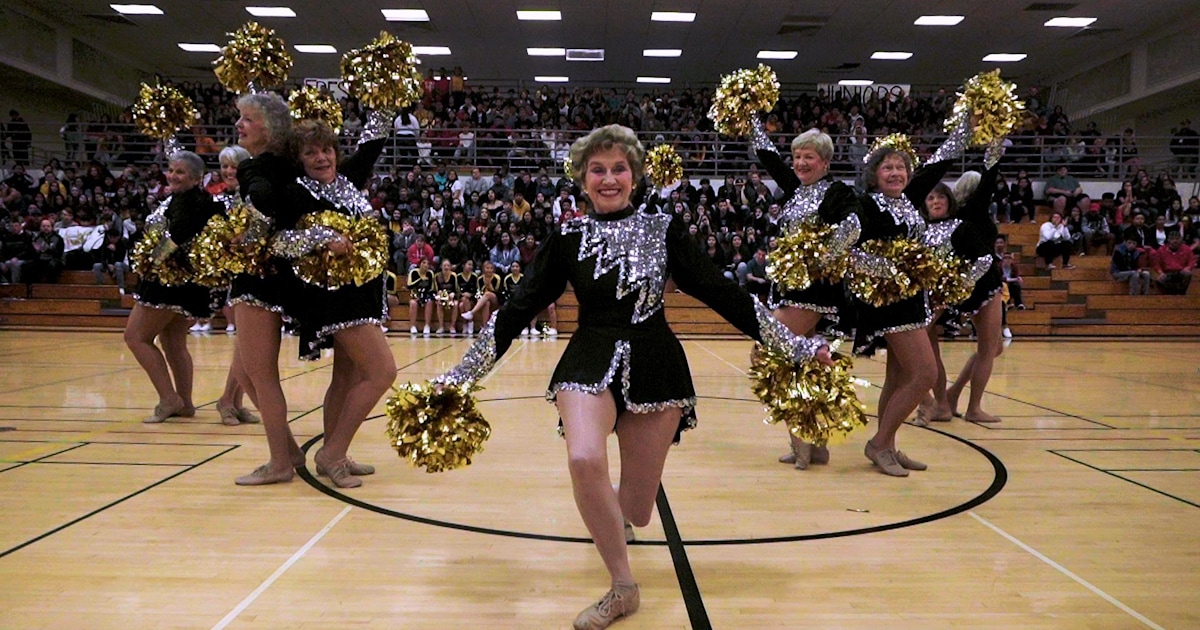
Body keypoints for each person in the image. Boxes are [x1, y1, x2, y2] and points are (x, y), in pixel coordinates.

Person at [431, 124, 830, 630]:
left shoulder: (664, 229)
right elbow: (519, 307)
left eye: (619, 168)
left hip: (655, 364)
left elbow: (723, 294)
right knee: (583, 457)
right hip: (589, 356)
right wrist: (462, 374)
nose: (609, 178)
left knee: (638, 510)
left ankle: (617, 520)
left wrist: (795, 346)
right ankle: (622, 586)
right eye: (597, 169)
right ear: (582, 178)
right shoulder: (569, 235)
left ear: (636, 175)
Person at [850, 116, 970, 476]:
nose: (895, 172)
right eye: (887, 167)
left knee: (899, 379)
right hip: (889, 302)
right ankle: (879, 444)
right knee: (924, 374)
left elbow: (943, 159)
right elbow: (849, 253)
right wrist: (891, 270)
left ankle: (887, 444)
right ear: (874, 174)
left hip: (914, 299)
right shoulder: (867, 207)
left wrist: (966, 125)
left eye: (901, 166)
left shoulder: (910, 198)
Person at [284, 118, 396, 488]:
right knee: (382, 372)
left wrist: (386, 96)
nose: (321, 157)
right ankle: (331, 453)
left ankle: (336, 454)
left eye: (326, 149)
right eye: (311, 152)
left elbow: (371, 144)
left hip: (362, 292)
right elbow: (281, 241)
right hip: (336, 296)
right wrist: (322, 236)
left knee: (346, 377)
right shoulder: (296, 192)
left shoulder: (345, 182)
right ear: (298, 159)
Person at [748, 121, 861, 470]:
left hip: (812, 294)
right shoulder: (796, 191)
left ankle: (801, 443)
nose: (800, 163)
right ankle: (816, 442)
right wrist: (750, 116)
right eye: (796, 156)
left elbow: (853, 226)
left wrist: (823, 258)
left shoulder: (835, 192)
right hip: (788, 291)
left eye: (808, 156)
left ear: (825, 162)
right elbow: (769, 157)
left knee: (766, 352)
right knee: (810, 365)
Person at [227, 92, 308, 486]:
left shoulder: (258, 169)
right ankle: (289, 449)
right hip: (270, 277)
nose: (239, 125)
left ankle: (279, 464)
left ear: (270, 129)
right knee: (245, 374)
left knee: (261, 375)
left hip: (258, 279)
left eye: (247, 119)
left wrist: (245, 234)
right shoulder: (286, 167)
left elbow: (264, 203)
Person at [125, 151, 221, 424]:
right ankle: (185, 403)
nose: (173, 175)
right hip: (182, 281)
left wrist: (151, 259)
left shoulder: (193, 202)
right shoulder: (183, 199)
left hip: (168, 282)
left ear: (196, 177)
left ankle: (169, 398)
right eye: (171, 170)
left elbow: (177, 236)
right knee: (172, 341)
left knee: (135, 338)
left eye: (180, 172)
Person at [939, 165, 1008, 424]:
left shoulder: (960, 215)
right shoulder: (975, 211)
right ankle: (974, 408)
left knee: (993, 347)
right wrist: (995, 150)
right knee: (989, 348)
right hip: (985, 284)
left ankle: (953, 392)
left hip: (975, 283)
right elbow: (988, 183)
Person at [1151, 229, 1195, 294]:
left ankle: (1182, 293)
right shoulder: (1161, 250)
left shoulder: (1187, 249)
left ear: (1181, 239)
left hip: (1181, 272)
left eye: (1177, 239)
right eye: (1172, 239)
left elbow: (1192, 261)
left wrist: (1187, 268)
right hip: (1167, 273)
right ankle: (1173, 293)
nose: (1175, 241)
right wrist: (1160, 272)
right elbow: (1156, 264)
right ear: (1168, 240)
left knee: (1187, 274)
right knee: (1160, 279)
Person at [1111, 230, 1152, 295]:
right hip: (1118, 273)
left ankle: (1145, 294)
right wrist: (1135, 271)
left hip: (1131, 271)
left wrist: (1139, 269)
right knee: (1134, 273)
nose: (1131, 245)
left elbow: (1134, 264)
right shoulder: (1118, 251)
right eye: (1129, 243)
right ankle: (1133, 295)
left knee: (1146, 274)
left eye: (1133, 243)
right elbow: (1121, 267)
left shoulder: (1136, 252)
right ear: (1125, 242)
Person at [432, 258, 461, 336]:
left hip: (451, 296)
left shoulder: (453, 276)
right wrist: (440, 294)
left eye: (448, 266)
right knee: (439, 303)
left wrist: (453, 294)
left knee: (455, 304)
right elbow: (436, 289)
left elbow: (456, 289)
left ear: (450, 267)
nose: (446, 267)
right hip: (442, 296)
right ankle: (441, 326)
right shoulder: (437, 276)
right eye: (444, 265)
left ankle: (452, 326)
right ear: (441, 267)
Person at [407, 257, 434, 335]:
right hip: (415, 294)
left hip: (425, 295)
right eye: (424, 263)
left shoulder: (430, 273)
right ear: (420, 264)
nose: (426, 265)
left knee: (429, 302)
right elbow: (409, 285)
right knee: (413, 303)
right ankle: (412, 326)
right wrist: (420, 279)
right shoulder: (413, 272)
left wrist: (424, 295)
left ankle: (427, 325)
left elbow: (431, 288)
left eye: (428, 264)